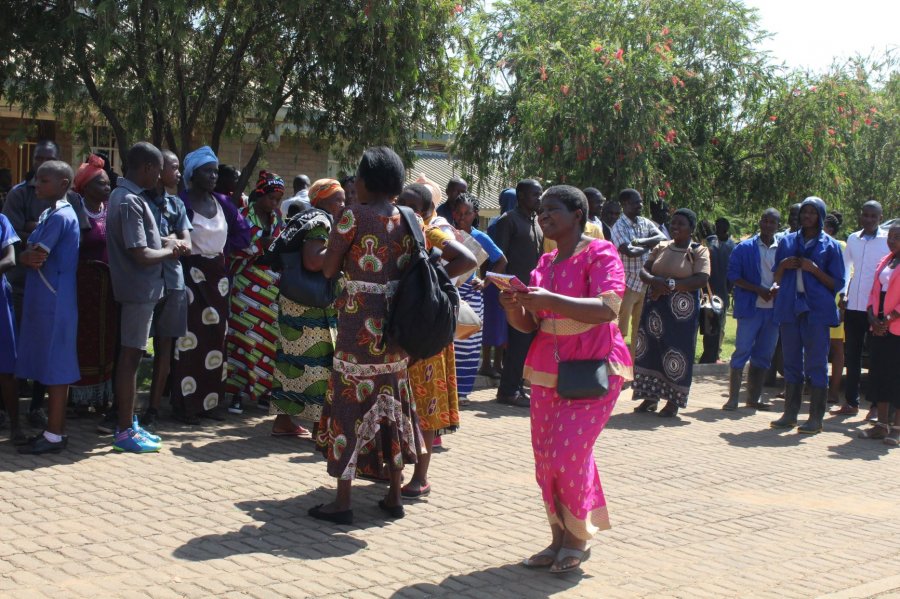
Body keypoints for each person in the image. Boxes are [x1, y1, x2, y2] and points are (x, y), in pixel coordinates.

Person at [501, 185, 630, 573]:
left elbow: (608, 308)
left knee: (566, 454)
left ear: (578, 215)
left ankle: (578, 538)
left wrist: (549, 301)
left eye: (552, 209)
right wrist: (513, 306)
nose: (543, 216)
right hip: (548, 366)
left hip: (594, 367)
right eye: (540, 211)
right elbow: (528, 325)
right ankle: (557, 537)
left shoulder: (600, 252)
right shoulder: (545, 263)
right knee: (546, 459)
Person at [310, 146, 422, 524]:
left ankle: (342, 501)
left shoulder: (353, 216)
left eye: (357, 175)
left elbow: (327, 269)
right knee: (392, 403)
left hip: (358, 325)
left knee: (348, 403)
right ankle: (394, 493)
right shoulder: (409, 217)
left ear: (367, 180)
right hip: (396, 329)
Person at [396, 183, 476, 499]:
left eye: (414, 205)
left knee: (425, 404)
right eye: (401, 201)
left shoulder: (429, 233)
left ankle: (420, 477)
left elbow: (467, 259)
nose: (405, 208)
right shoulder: (394, 230)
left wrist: (432, 281)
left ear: (428, 211)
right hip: (400, 327)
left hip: (426, 330)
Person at [107, 143, 186, 452]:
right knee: (131, 358)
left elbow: (142, 241)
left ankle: (129, 422)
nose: (160, 177)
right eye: (157, 170)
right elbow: (140, 253)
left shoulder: (128, 198)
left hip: (141, 291)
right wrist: (172, 249)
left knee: (133, 355)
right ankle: (125, 430)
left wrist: (164, 241)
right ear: (148, 169)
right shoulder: (129, 201)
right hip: (138, 291)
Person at [2, 140, 81, 428]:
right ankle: (50, 432)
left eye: (44, 180)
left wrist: (24, 253)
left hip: (55, 301)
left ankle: (53, 434)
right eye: (37, 178)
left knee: (56, 368)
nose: (37, 183)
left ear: (63, 184)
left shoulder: (60, 215)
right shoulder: (50, 213)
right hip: (44, 300)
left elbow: (35, 257)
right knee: (44, 364)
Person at [171, 146, 251, 424]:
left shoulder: (223, 203)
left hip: (218, 279)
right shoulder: (180, 203)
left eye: (216, 170)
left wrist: (221, 251)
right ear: (193, 174)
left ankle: (210, 402)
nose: (214, 175)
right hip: (191, 277)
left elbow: (244, 233)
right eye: (207, 170)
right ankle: (187, 405)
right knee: (189, 341)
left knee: (217, 339)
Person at [268, 179, 345, 437]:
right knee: (318, 364)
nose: (342, 204)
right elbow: (313, 261)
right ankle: (319, 426)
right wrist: (340, 253)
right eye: (338, 199)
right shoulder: (321, 221)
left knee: (291, 360)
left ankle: (283, 421)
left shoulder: (304, 218)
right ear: (321, 199)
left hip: (295, 300)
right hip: (311, 307)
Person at [770, 197, 845, 434]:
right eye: (804, 212)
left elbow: (837, 282)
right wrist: (782, 267)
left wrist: (814, 270)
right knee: (791, 359)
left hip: (817, 310)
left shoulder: (830, 245)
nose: (807, 216)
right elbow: (776, 278)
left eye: (813, 212)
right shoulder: (787, 241)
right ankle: (790, 413)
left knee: (816, 362)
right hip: (790, 307)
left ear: (820, 216)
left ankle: (815, 417)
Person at [632, 209, 711, 417]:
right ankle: (650, 397)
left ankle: (673, 402)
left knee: (676, 353)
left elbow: (701, 279)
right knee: (650, 349)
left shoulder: (698, 251)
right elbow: (644, 270)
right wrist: (655, 282)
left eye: (681, 224)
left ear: (691, 229)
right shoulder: (662, 246)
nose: (675, 227)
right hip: (655, 306)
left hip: (680, 312)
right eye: (673, 223)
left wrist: (671, 285)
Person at [140, 150, 192, 430]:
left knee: (164, 347)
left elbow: (188, 243)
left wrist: (169, 241)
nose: (179, 173)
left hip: (173, 283)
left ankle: (153, 409)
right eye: (174, 167)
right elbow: (142, 239)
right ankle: (120, 407)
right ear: (159, 170)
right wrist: (170, 241)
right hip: (144, 284)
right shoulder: (139, 201)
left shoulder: (177, 205)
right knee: (133, 347)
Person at [225, 170, 285, 414]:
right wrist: (259, 245)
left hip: (270, 289)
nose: (274, 203)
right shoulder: (243, 216)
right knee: (243, 340)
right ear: (260, 194)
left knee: (267, 342)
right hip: (245, 285)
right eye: (271, 198)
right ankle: (238, 393)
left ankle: (262, 391)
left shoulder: (277, 219)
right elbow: (234, 248)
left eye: (278, 199)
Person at [69, 155, 118, 414]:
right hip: (82, 286)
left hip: (107, 287)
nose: (107, 188)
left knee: (105, 340)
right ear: (85, 186)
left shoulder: (111, 210)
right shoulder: (74, 208)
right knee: (82, 340)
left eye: (108, 183)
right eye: (101, 183)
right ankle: (78, 398)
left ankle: (100, 396)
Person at [833, 201, 888, 417]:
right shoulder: (853, 239)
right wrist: (844, 293)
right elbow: (846, 269)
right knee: (852, 355)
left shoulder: (887, 240)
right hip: (854, 305)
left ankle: (874, 406)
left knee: (876, 358)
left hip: (875, 309)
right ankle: (851, 403)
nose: (869, 219)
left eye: (873, 216)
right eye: (865, 215)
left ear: (880, 218)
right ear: (860, 216)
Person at [491, 179, 543, 407]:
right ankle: (507, 390)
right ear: (521, 195)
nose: (539, 199)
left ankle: (518, 386)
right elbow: (499, 258)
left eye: (540, 194)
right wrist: (503, 290)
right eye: (535, 194)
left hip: (531, 293)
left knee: (528, 343)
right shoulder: (508, 221)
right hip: (513, 294)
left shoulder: (536, 222)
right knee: (517, 343)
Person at [722, 209, 781, 411]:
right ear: (760, 222)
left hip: (773, 311)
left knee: (764, 354)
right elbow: (733, 275)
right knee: (742, 350)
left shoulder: (783, 249)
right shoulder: (744, 248)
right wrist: (758, 290)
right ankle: (733, 398)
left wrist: (774, 290)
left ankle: (754, 398)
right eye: (764, 220)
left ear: (777, 226)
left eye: (772, 222)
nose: (767, 225)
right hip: (750, 308)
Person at [453, 193, 506, 404]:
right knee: (451, 345)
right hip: (452, 293)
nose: (462, 217)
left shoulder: (480, 237)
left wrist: (486, 281)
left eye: (467, 213)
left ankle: (463, 392)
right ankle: (450, 389)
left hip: (472, 296)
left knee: (469, 345)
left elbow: (501, 260)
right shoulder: (447, 232)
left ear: (475, 214)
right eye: (459, 212)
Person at [611, 189, 667, 362]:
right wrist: (648, 245)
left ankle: (635, 367)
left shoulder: (644, 222)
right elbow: (629, 251)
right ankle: (615, 367)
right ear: (625, 204)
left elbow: (662, 237)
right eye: (636, 202)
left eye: (641, 201)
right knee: (619, 330)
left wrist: (640, 242)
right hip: (626, 285)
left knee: (640, 330)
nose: (641, 205)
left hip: (644, 284)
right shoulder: (618, 226)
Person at [857, 223, 900, 445]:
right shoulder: (886, 260)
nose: (891, 240)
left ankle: (897, 429)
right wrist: (873, 316)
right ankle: (881, 425)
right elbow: (875, 292)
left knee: (897, 377)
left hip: (897, 328)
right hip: (879, 327)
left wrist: (890, 317)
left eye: (897, 237)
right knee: (879, 374)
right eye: (890, 236)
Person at [480, 188, 518, 379]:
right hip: (495, 279)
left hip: (504, 279)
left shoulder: (513, 220)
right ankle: (486, 363)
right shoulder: (499, 224)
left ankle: (498, 363)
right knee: (491, 324)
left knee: (502, 323)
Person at [699, 217, 735, 363]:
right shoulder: (731, 246)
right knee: (718, 327)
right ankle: (714, 354)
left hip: (706, 292)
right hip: (722, 293)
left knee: (707, 327)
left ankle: (710, 355)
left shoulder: (706, 245)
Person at [0, 212, 22, 443]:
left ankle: (16, 426)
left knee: (6, 366)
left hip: (0, 301)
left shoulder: (2, 221)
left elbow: (10, 259)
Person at [823, 212, 846, 406]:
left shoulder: (842, 246)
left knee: (836, 346)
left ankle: (834, 390)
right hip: (818, 301)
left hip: (837, 300)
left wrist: (844, 304)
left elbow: (847, 276)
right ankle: (812, 385)